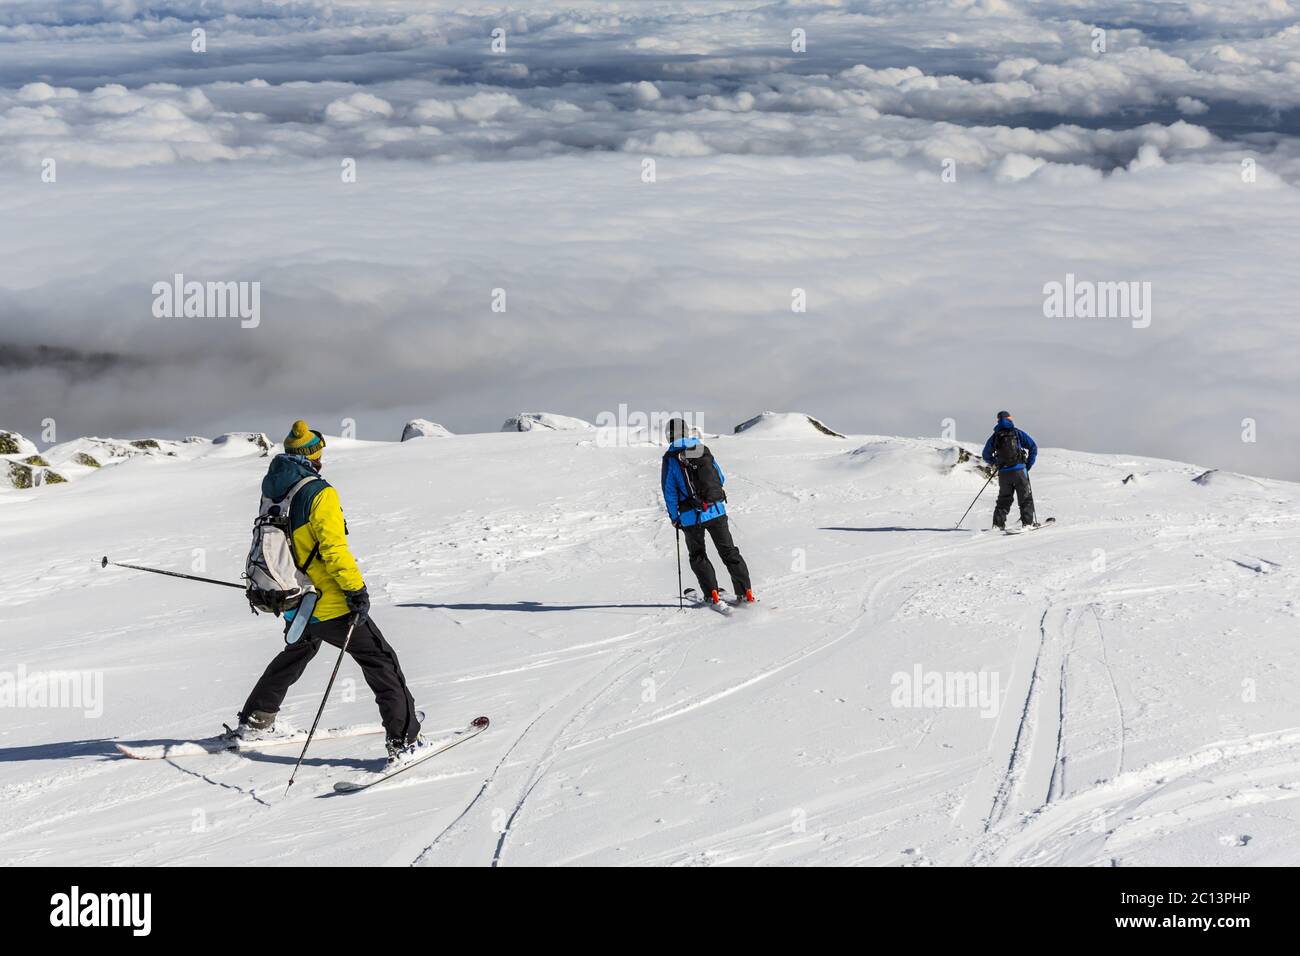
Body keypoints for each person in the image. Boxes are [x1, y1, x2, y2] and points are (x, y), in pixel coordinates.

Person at [227, 420, 425, 764]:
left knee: (297, 651)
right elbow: (333, 550)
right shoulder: (319, 492)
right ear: (313, 454)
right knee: (380, 660)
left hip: (292, 599)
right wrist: (356, 590)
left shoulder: (273, 491)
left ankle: (257, 720)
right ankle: (403, 739)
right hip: (329, 602)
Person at [661, 418, 754, 606]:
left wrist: (674, 517)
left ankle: (712, 594)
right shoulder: (701, 448)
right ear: (686, 432)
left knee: (698, 555)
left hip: (690, 517)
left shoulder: (671, 457)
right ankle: (746, 592)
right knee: (729, 551)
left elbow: (669, 491)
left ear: (668, 435)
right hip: (716, 509)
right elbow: (720, 477)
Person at [981, 410, 1038, 530]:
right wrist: (1028, 465)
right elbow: (1033, 446)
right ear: (1010, 419)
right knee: (1025, 497)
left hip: (1004, 473)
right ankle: (1027, 523)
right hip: (1019, 470)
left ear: (998, 420)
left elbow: (986, 455)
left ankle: (998, 525)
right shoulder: (1016, 433)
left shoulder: (995, 436)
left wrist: (997, 463)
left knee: (1004, 499)